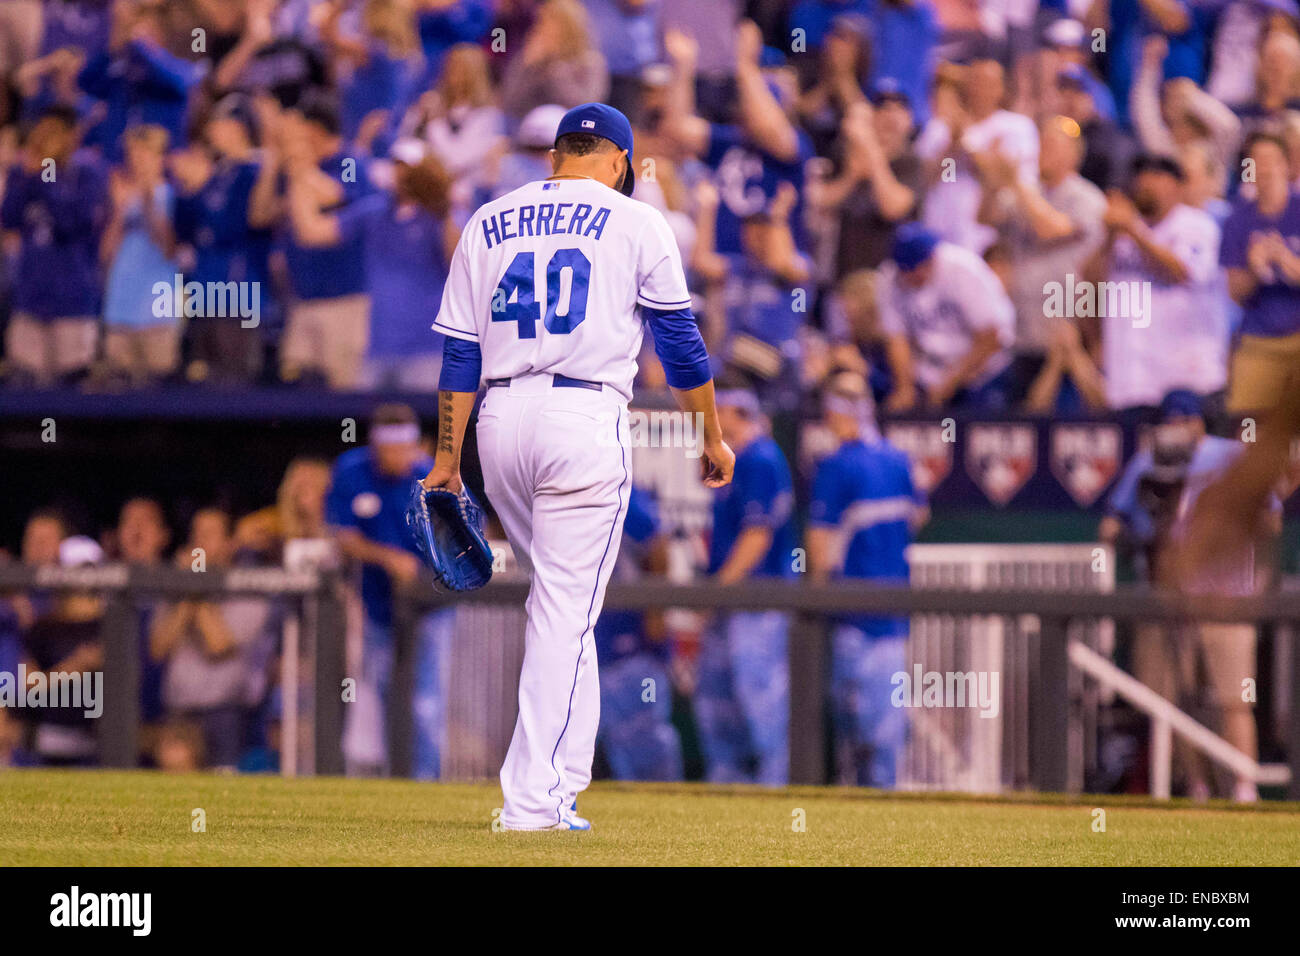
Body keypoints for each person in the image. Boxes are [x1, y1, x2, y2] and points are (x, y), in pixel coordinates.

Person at [422, 103, 733, 830]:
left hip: (498, 426)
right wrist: (709, 437)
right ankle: (530, 803)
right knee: (563, 611)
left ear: (559, 153)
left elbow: (460, 353)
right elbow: (681, 346)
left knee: (564, 605)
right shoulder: (636, 219)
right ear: (619, 161)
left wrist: (446, 459)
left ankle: (563, 782)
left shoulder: (489, 217)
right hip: (582, 416)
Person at [1099, 390, 1274, 802]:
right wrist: (1140, 537)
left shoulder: (1231, 456)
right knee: (1169, 704)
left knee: (1235, 697)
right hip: (1168, 599)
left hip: (1226, 598)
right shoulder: (1150, 459)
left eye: (1184, 420)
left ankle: (1244, 789)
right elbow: (1112, 524)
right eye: (1170, 421)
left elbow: (1268, 518)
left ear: (1201, 422)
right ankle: (1193, 787)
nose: (1177, 428)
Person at [807, 371, 924, 787]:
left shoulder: (836, 467)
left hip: (851, 621)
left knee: (852, 741)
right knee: (885, 744)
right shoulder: (898, 460)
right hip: (893, 619)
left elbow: (818, 552)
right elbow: (919, 516)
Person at [326, 404, 450, 779]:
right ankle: (391, 782)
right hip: (378, 606)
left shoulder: (434, 475)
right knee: (381, 694)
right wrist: (388, 558)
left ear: (417, 445)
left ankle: (426, 785)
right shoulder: (352, 470)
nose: (395, 457)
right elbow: (341, 535)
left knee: (425, 702)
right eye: (387, 449)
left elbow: (463, 535)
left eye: (403, 448)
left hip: (432, 605)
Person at [693, 386, 796, 786]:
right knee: (719, 705)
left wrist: (716, 592)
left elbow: (757, 535)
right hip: (732, 600)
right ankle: (727, 791)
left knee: (763, 706)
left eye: (722, 411)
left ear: (740, 412)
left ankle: (774, 792)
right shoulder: (735, 457)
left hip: (757, 602)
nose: (715, 417)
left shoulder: (760, 457)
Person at [1086, 153, 1225, 415]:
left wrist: (1133, 230)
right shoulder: (1122, 232)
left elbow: (1180, 272)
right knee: (1135, 455)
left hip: (1185, 376)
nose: (1146, 182)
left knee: (1183, 454)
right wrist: (1110, 236)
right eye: (1142, 175)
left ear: (1178, 186)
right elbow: (1089, 280)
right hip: (1131, 377)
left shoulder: (1196, 225)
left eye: (1158, 176)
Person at [149, 508, 275, 771]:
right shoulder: (175, 585)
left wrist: (193, 585)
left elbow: (217, 644)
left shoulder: (248, 587)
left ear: (230, 544)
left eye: (209, 534)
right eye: (196, 534)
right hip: (178, 710)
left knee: (224, 793)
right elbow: (158, 648)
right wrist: (189, 589)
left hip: (225, 715)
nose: (199, 542)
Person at [0, 104, 108, 387]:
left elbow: (71, 223)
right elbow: (9, 217)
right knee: (26, 386)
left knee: (71, 387)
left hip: (72, 298)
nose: (45, 140)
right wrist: (22, 176)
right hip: (30, 298)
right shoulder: (24, 176)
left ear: (70, 136)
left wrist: (42, 176)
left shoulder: (86, 174)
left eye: (53, 134)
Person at [593, 485, 683, 782]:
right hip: (590, 646)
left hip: (631, 650)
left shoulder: (618, 488)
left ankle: (667, 820)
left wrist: (656, 610)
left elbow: (658, 543)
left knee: (648, 753)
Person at [875, 223, 1016, 410]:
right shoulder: (890, 277)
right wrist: (904, 388)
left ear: (931, 257)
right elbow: (895, 337)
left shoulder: (963, 269)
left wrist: (952, 381)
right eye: (905, 268)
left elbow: (992, 336)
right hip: (931, 371)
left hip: (982, 372)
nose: (911, 274)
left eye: (916, 266)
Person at [1220, 131, 1300, 415]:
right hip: (1259, 338)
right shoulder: (1237, 220)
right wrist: (1255, 268)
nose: (1264, 169)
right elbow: (1235, 293)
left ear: (1287, 166)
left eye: (1271, 161)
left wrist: (1288, 262)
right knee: (1249, 427)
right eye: (1256, 162)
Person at [100, 124, 179, 385]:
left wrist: (146, 201)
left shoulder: (173, 195)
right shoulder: (122, 197)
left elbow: (168, 249)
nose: (137, 161)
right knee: (118, 396)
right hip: (120, 309)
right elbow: (105, 254)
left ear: (160, 157)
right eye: (133, 154)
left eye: (145, 154)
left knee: (158, 395)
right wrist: (121, 211)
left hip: (158, 314)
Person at [20, 536, 106, 767]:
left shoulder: (113, 625)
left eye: (88, 569)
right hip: (51, 738)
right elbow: (28, 683)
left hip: (101, 740)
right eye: (75, 570)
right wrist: (75, 668)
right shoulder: (45, 626)